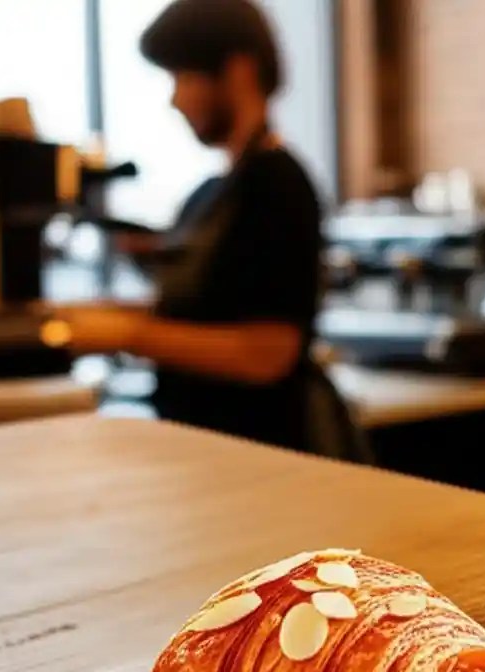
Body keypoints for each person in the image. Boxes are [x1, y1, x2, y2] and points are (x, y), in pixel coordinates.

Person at [59, 0, 323, 453]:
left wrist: (127, 334)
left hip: (257, 461)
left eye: (182, 76)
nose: (175, 99)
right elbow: (198, 312)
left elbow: (268, 354)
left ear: (238, 71)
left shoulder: (279, 184)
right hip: (201, 451)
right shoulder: (209, 192)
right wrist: (106, 315)